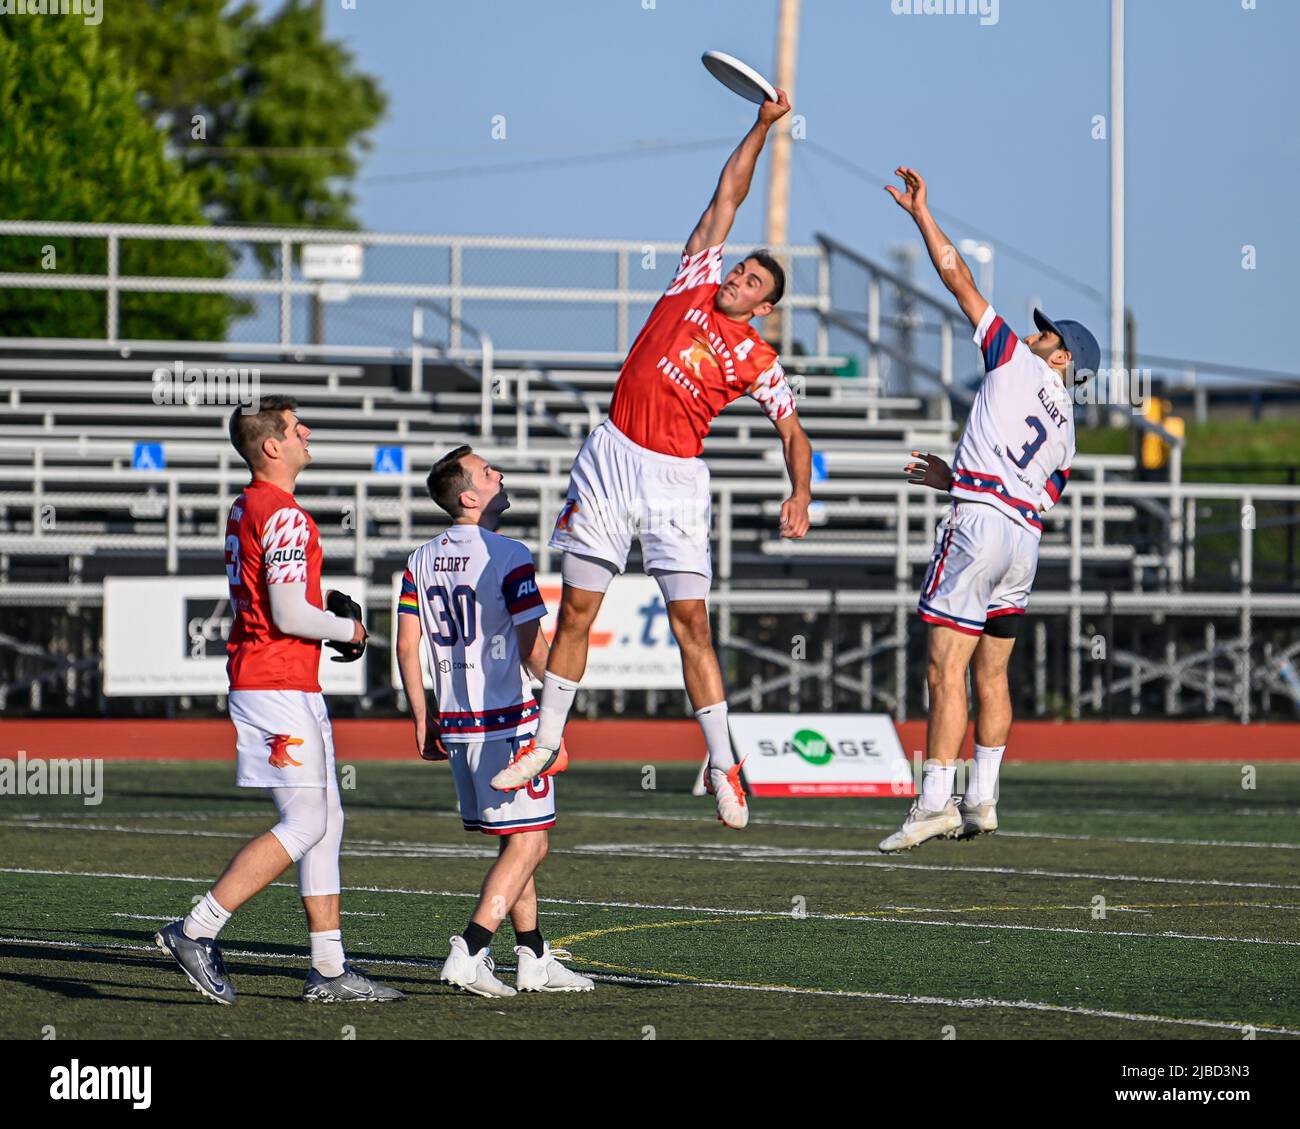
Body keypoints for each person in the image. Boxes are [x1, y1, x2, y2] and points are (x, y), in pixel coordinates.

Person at [491, 89, 813, 830]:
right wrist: (761, 125)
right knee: (575, 609)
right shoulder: (693, 280)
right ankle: (547, 742)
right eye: (741, 271)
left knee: (690, 625)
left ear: (765, 307)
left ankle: (724, 760)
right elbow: (726, 195)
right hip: (610, 456)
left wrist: (799, 491)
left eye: (754, 282)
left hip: (673, 479)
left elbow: (795, 432)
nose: (739, 278)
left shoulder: (759, 358)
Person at [878, 168, 1099, 853]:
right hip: (1021, 542)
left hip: (977, 528)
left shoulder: (1012, 357)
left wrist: (922, 214)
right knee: (992, 672)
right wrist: (961, 478)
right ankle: (985, 797)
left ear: (1060, 355)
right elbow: (1030, 492)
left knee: (945, 669)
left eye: (1046, 334)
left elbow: (954, 275)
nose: (1034, 335)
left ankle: (935, 801)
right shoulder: (1067, 432)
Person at [155, 395, 402, 1003]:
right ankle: (197, 929)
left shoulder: (249, 504)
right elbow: (291, 612)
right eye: (296, 428)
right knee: (308, 821)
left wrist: (325, 621)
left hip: (281, 679)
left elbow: (281, 602)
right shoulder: (284, 512)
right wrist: (351, 631)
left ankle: (328, 969)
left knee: (327, 824)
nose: (306, 433)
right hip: (275, 681)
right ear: (272, 446)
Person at [396, 446, 594, 997]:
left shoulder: (420, 559)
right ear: (469, 497)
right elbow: (534, 650)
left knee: (517, 838)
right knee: (532, 844)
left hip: (459, 720)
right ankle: (472, 947)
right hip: (509, 720)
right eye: (488, 472)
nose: (499, 475)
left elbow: (406, 646)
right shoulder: (508, 554)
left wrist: (422, 717)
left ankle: (533, 957)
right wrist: (559, 708)